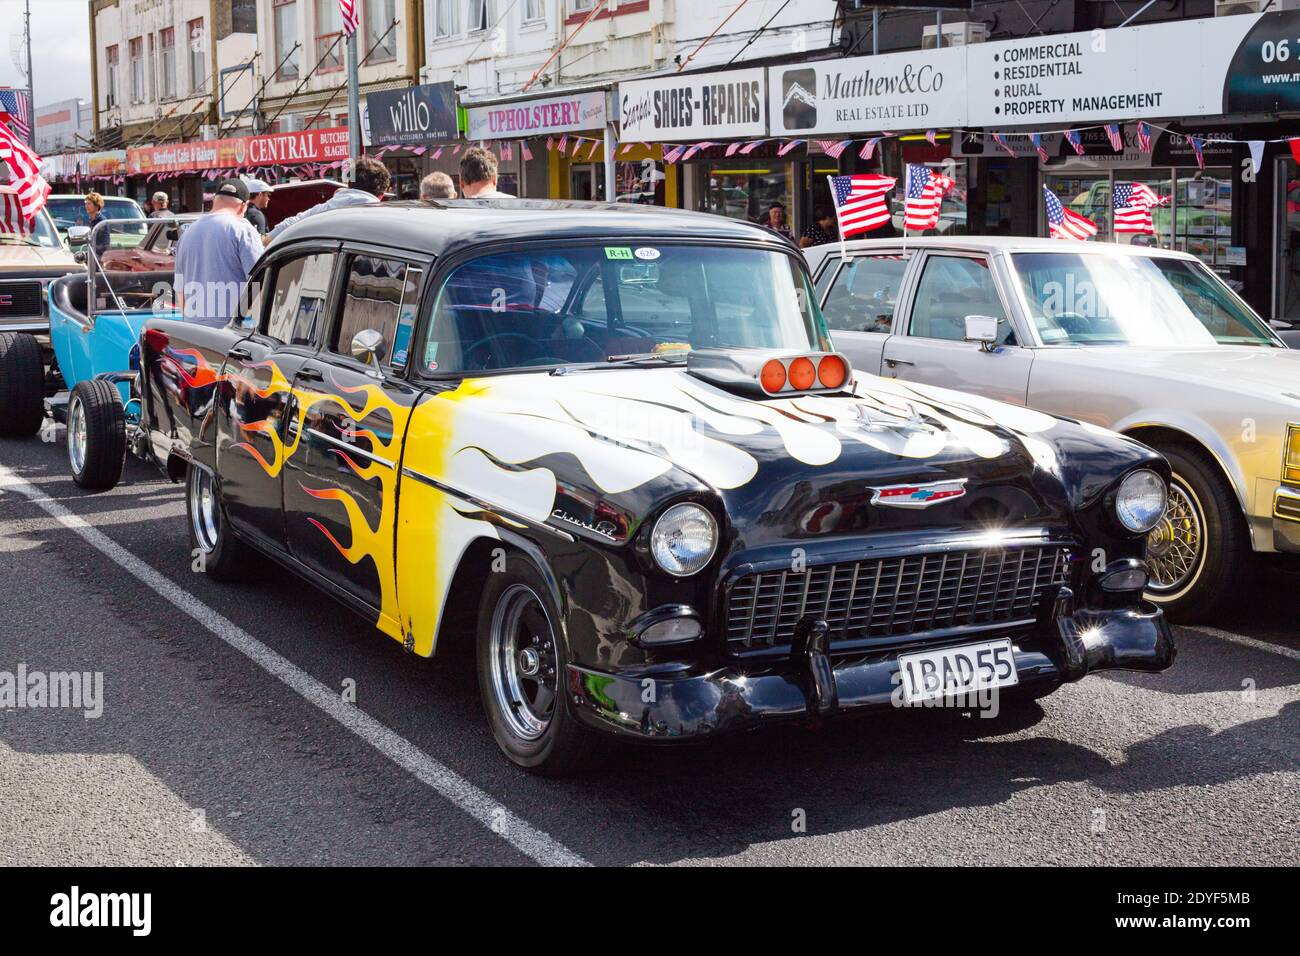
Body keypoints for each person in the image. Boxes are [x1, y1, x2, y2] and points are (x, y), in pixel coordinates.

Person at [172, 178, 263, 328]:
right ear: (243, 206)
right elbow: (260, 282)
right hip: (230, 336)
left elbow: (180, 290)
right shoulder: (242, 230)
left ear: (215, 201)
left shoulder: (187, 234)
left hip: (194, 332)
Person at [266, 155, 390, 244]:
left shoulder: (328, 208)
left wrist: (265, 240)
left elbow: (291, 223)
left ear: (349, 184)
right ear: (382, 194)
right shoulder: (389, 218)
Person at [85, 192, 111, 257]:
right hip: (92, 255)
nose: (86, 206)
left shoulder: (102, 221)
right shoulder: (90, 220)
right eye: (86, 204)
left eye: (89, 204)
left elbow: (104, 244)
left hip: (99, 257)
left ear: (97, 206)